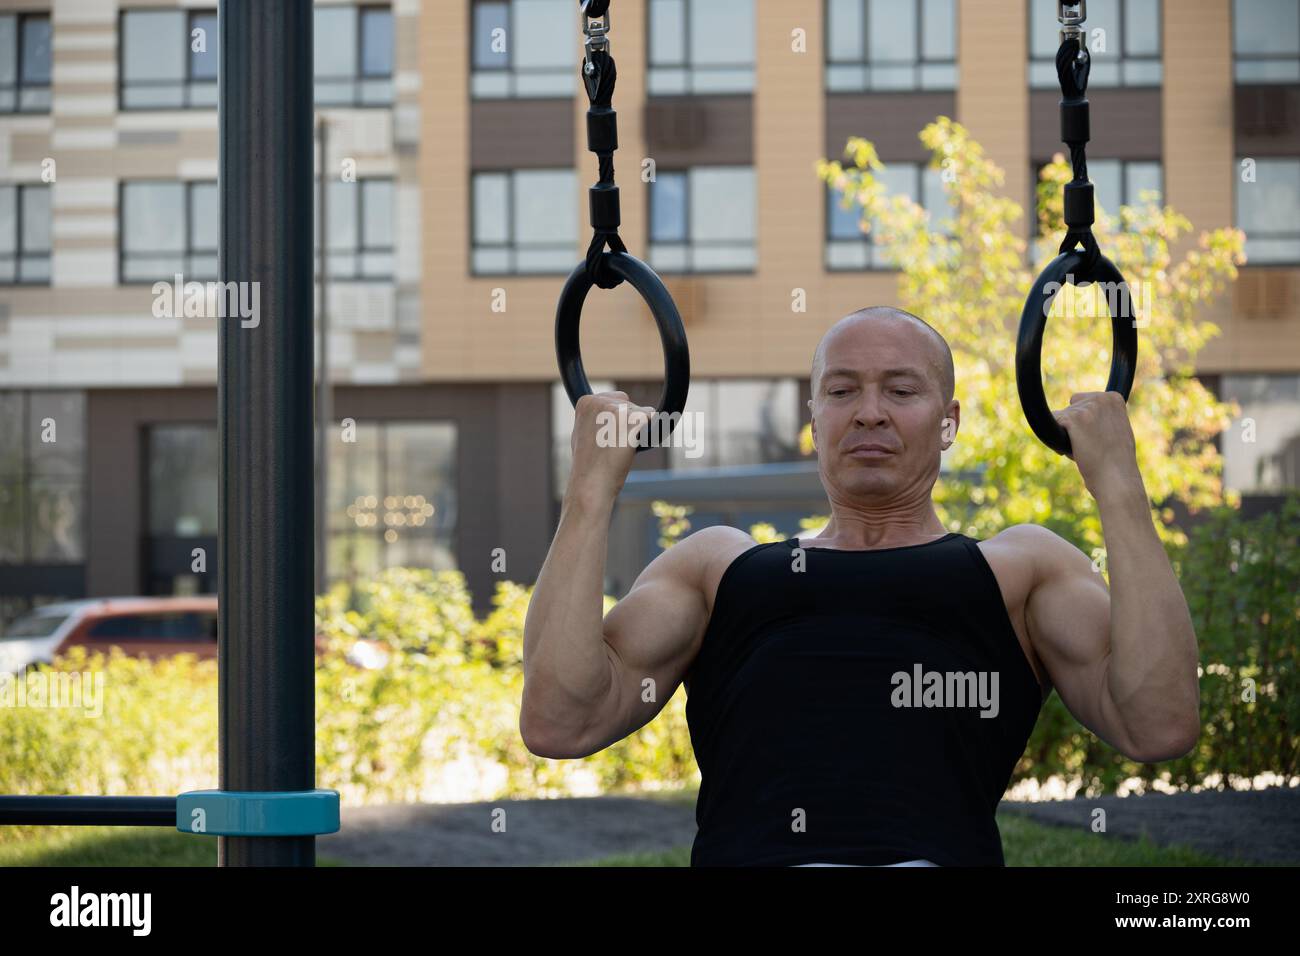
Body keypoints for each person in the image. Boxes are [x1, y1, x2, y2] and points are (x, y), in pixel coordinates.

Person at [521, 305, 1201, 867]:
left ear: (949, 421)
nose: (869, 412)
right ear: (815, 420)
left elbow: (1159, 720)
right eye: (843, 391)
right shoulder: (717, 569)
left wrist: (1119, 487)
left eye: (902, 391)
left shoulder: (1018, 569)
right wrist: (591, 488)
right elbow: (561, 718)